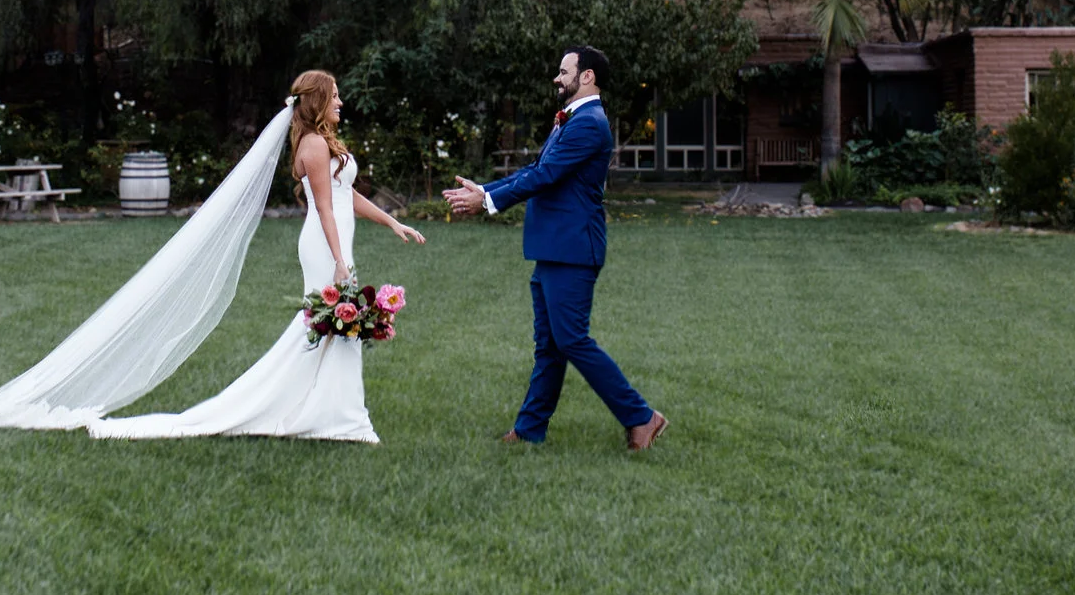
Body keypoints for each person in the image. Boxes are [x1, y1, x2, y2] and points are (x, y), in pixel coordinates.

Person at [81, 69, 424, 441]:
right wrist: (339, 261)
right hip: (325, 245)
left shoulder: (324, 142)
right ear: (318, 101)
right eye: (335, 96)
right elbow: (325, 207)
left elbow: (346, 194)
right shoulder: (313, 144)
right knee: (327, 322)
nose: (341, 102)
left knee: (336, 325)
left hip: (335, 242)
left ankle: (334, 412)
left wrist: (391, 222)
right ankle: (329, 415)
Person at [446, 45, 667, 451]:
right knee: (549, 344)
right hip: (554, 247)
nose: (556, 78)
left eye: (564, 71)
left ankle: (641, 417)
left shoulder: (589, 123)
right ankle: (530, 429)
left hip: (573, 248)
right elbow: (537, 170)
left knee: (571, 340)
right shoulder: (571, 120)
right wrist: (486, 190)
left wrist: (488, 204)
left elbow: (547, 175)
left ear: (587, 77)